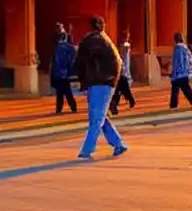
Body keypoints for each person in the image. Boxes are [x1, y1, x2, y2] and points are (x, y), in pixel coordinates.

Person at [74, 16, 128, 159]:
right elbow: (117, 64)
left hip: (99, 83)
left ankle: (88, 149)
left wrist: (83, 82)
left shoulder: (92, 42)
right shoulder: (105, 41)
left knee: (97, 118)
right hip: (105, 83)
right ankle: (118, 143)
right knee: (100, 116)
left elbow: (80, 63)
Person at [169, 32, 192, 110]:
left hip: (180, 73)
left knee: (182, 89)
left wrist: (175, 72)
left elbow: (179, 61)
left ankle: (175, 105)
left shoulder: (178, 48)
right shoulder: (185, 48)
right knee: (182, 89)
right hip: (183, 73)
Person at [51, 31, 78, 114]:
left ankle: (59, 109)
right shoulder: (70, 48)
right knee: (68, 92)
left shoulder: (57, 48)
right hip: (65, 74)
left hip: (58, 73)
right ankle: (73, 107)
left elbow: (54, 62)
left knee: (59, 93)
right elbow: (72, 60)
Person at [110, 30, 136, 115]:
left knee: (120, 90)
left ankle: (115, 105)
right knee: (122, 90)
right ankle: (130, 102)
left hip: (122, 72)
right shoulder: (123, 47)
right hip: (122, 72)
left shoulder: (124, 47)